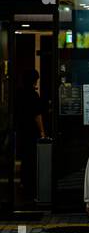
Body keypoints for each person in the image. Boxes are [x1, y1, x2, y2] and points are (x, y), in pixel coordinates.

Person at [13, 69, 46, 204]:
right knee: (32, 158)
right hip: (31, 131)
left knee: (25, 158)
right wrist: (42, 131)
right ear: (34, 80)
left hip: (21, 130)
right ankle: (30, 186)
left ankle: (23, 181)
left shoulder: (18, 94)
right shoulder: (33, 95)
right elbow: (37, 115)